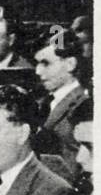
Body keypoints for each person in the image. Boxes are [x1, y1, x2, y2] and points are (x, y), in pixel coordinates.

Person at [32, 29, 90, 175]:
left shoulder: (86, 105)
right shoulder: (41, 103)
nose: (38, 71)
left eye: (45, 63)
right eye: (37, 64)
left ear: (70, 64)